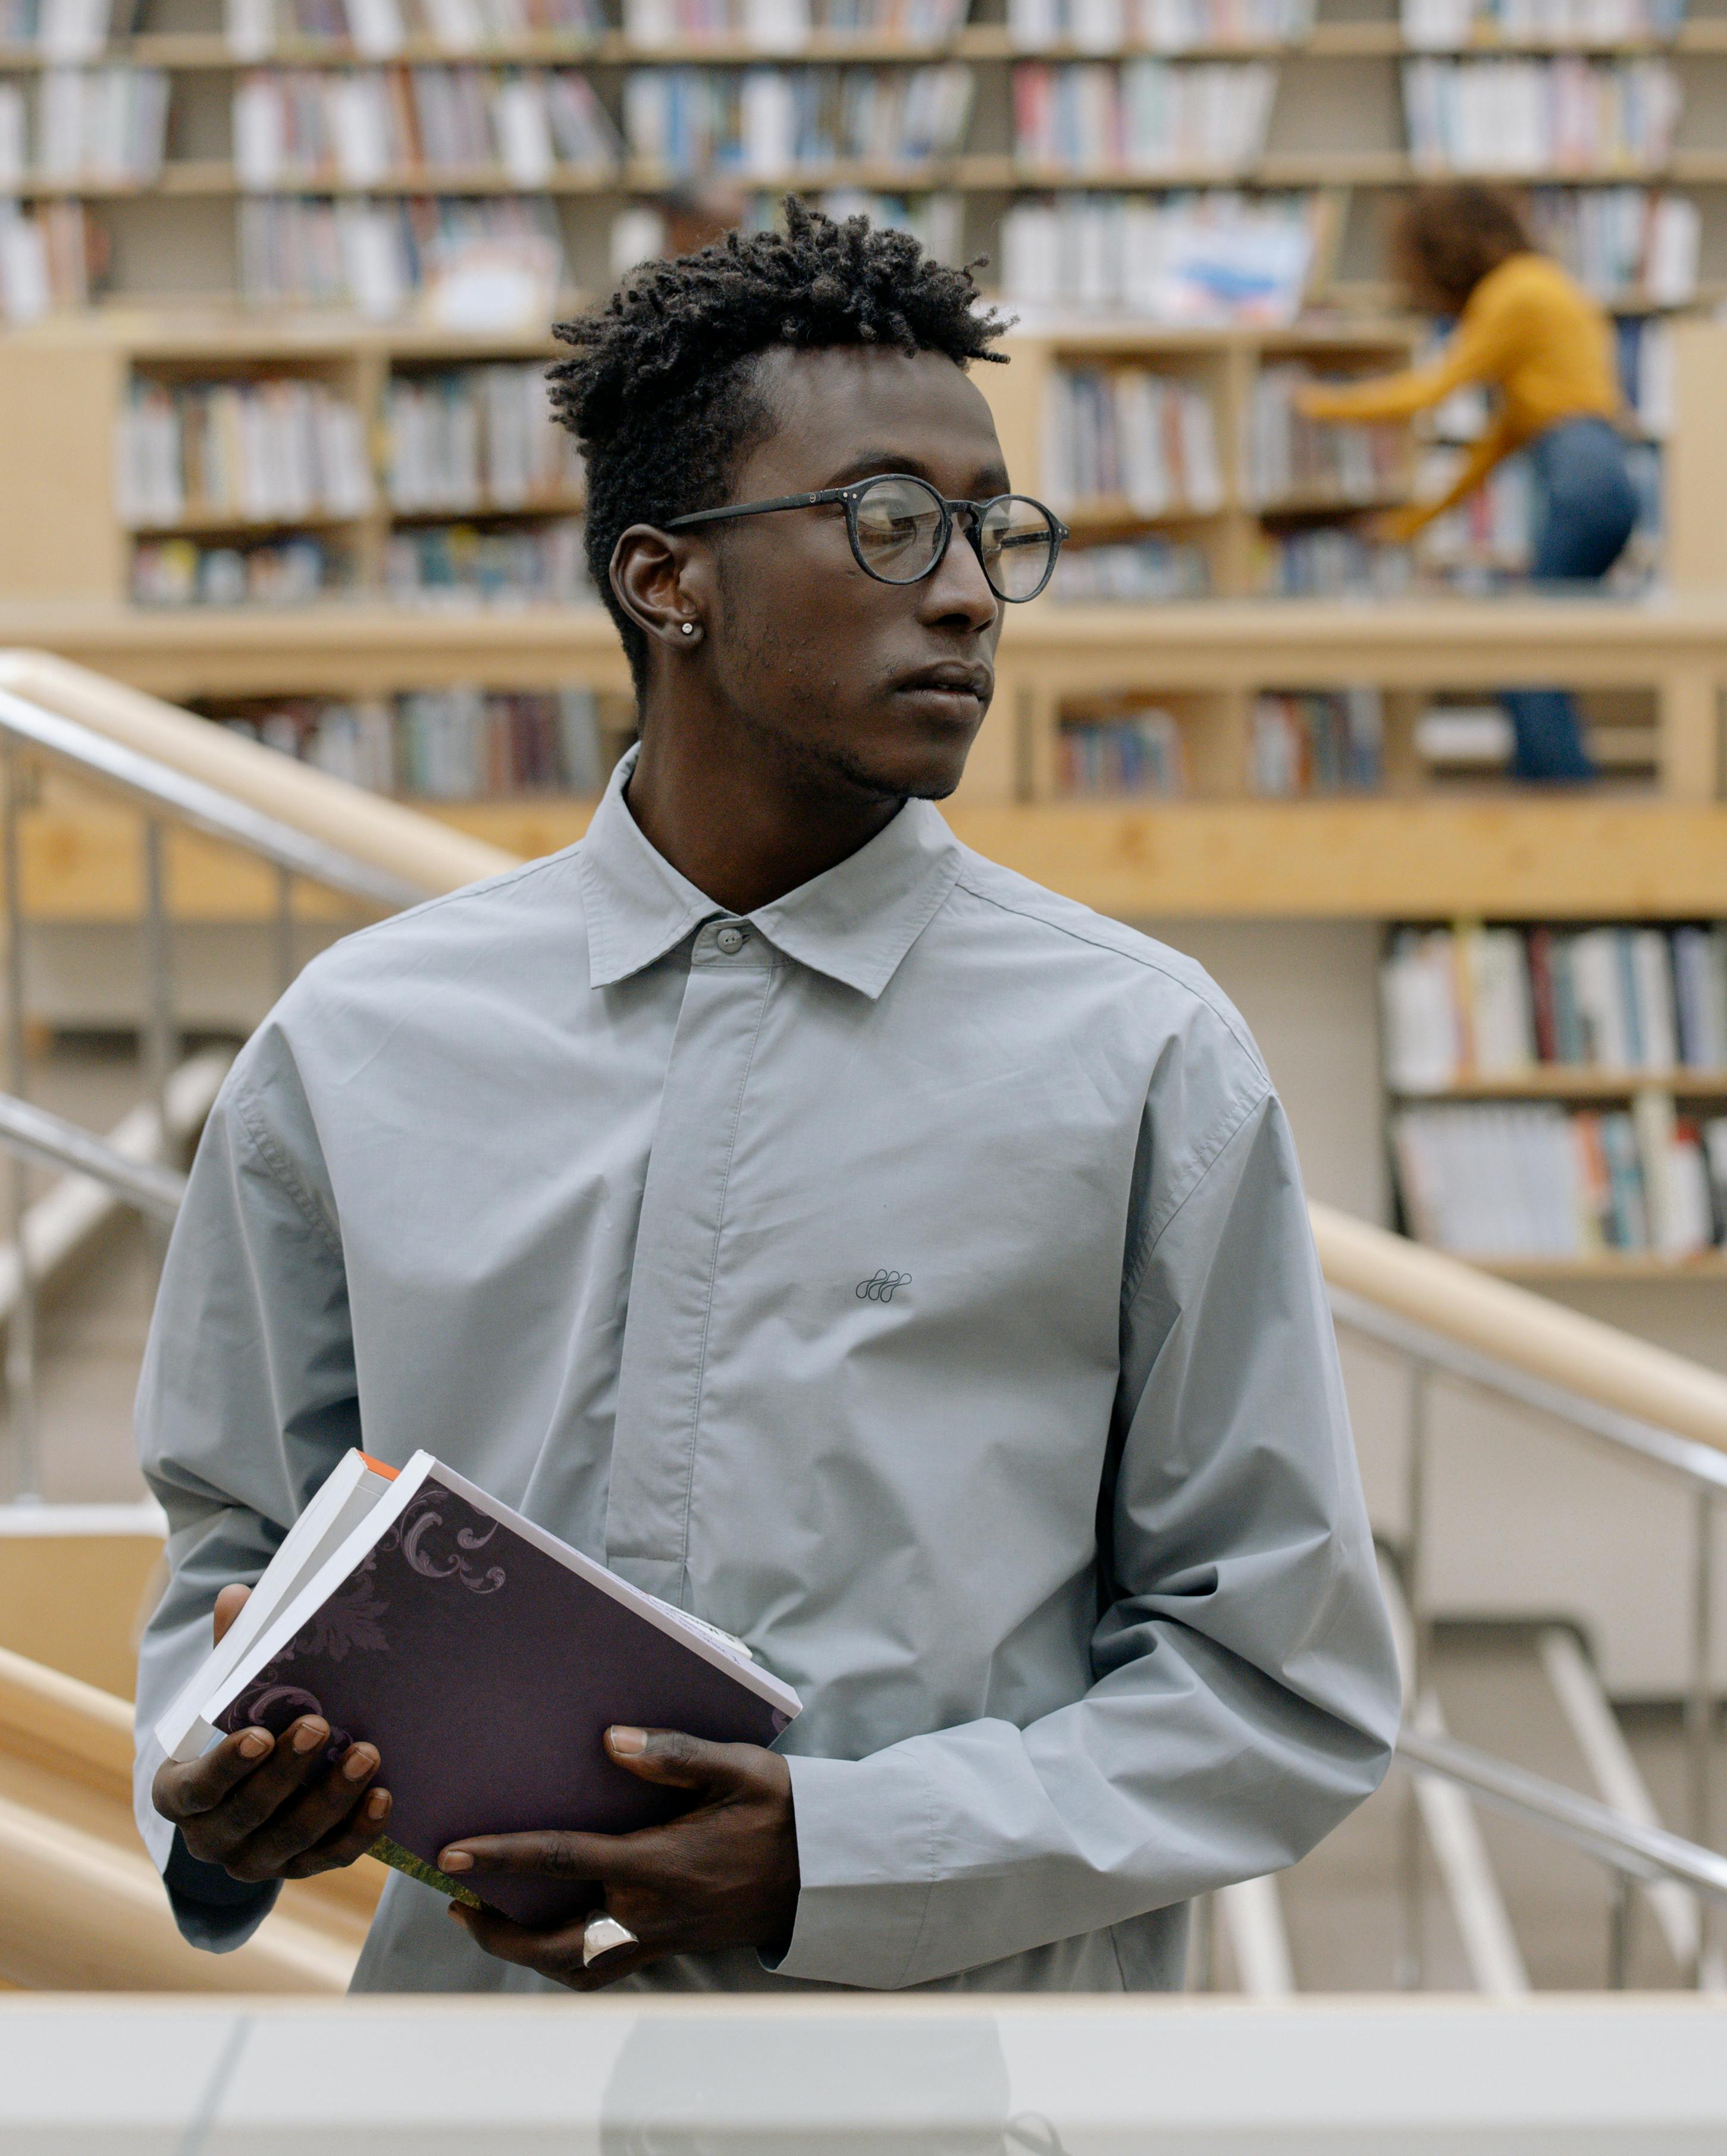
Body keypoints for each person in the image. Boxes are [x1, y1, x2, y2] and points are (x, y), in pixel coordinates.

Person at [136, 204, 1399, 1996]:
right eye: (887, 520)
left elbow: (1277, 1679)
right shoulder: (356, 1040)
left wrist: (833, 1852)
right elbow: (237, 1550)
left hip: (963, 2102)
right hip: (483, 2090)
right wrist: (210, 1783)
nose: (964, 587)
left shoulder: (1141, 1057)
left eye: (990, 530)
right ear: (669, 577)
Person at [1295, 183, 1638, 782]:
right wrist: (1410, 524)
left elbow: (1428, 389)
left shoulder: (1515, 293)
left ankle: (1567, 808)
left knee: (1525, 659)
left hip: (1581, 483)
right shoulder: (1540, 293)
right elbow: (1489, 452)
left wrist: (1316, 404)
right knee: (1532, 655)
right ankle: (1552, 797)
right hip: (1599, 479)